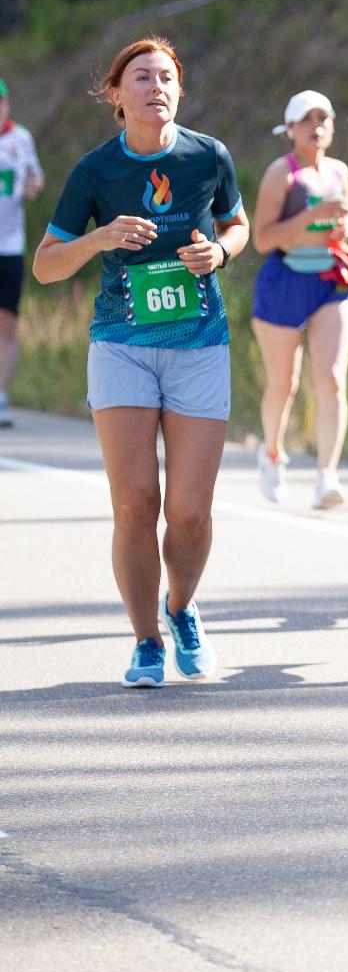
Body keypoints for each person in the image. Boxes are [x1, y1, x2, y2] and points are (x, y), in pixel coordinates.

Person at [31, 36, 249, 686]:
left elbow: (236, 225)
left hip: (200, 346)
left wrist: (223, 252)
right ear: (117, 96)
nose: (156, 87)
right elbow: (45, 265)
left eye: (166, 77)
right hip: (122, 346)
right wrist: (100, 236)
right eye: (141, 77)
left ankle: (180, 608)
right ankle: (146, 641)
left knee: (188, 510)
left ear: (179, 90)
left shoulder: (208, 156)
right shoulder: (95, 172)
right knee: (134, 502)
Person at [250, 90, 348, 509]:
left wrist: (344, 224)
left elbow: (347, 214)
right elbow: (262, 239)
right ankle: (273, 453)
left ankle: (327, 475)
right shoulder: (282, 174)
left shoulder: (339, 171)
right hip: (285, 278)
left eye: (324, 118)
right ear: (291, 129)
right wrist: (312, 217)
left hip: (331, 280)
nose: (317, 127)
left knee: (331, 379)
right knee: (284, 383)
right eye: (308, 119)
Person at [0, 79, 45, 427]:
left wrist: (34, 185)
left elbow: (35, 178)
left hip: (9, 246)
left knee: (7, 325)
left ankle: (1, 397)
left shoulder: (21, 140)